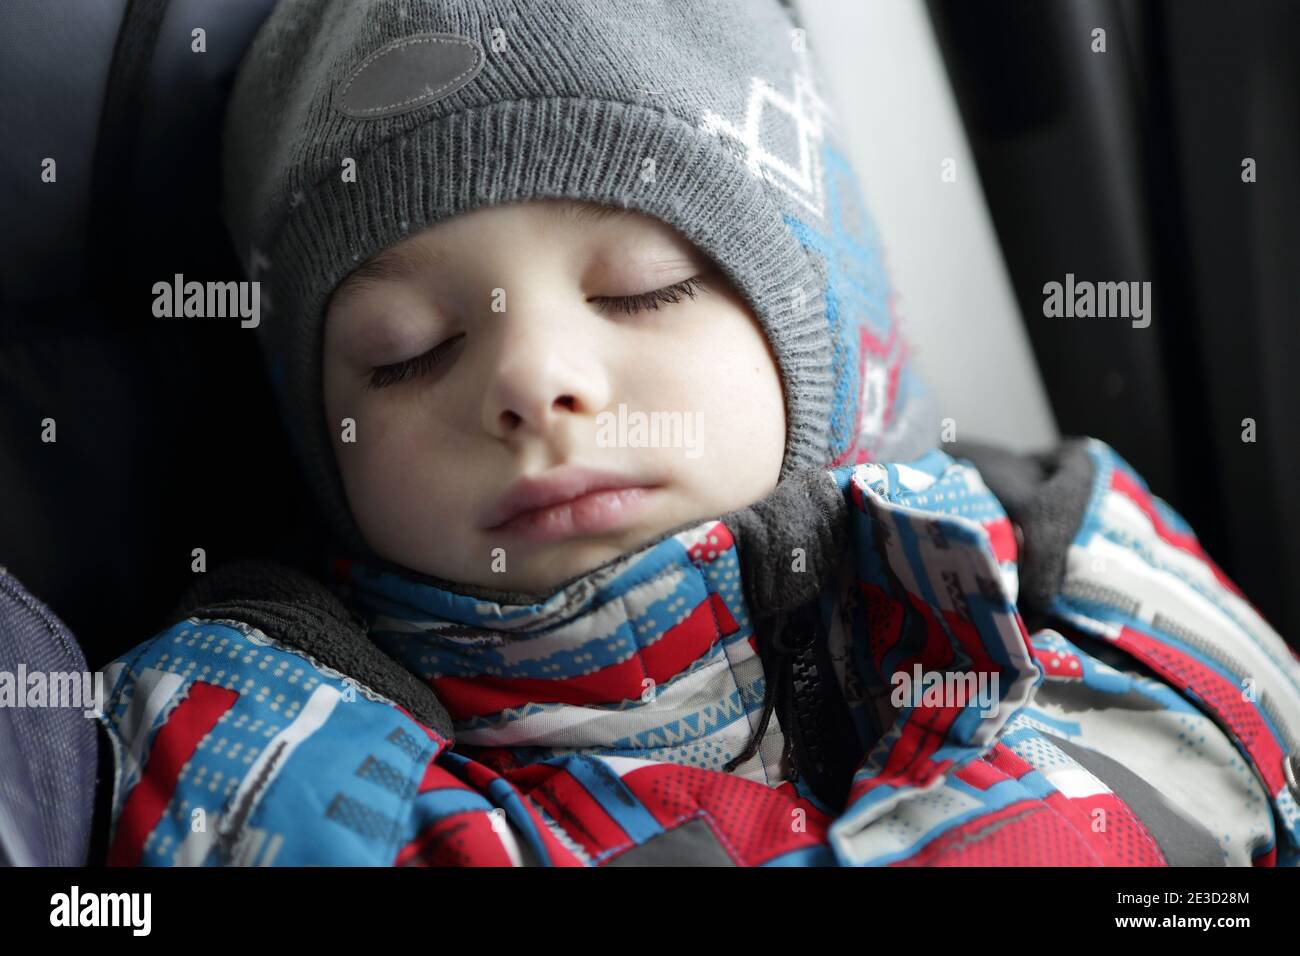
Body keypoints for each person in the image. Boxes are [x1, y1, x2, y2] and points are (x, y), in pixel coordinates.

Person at [92, 0, 1300, 866]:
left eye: (640, 286)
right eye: (408, 349)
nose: (532, 377)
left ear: (825, 316)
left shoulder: (1052, 547)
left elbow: (1227, 776)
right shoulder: (246, 723)